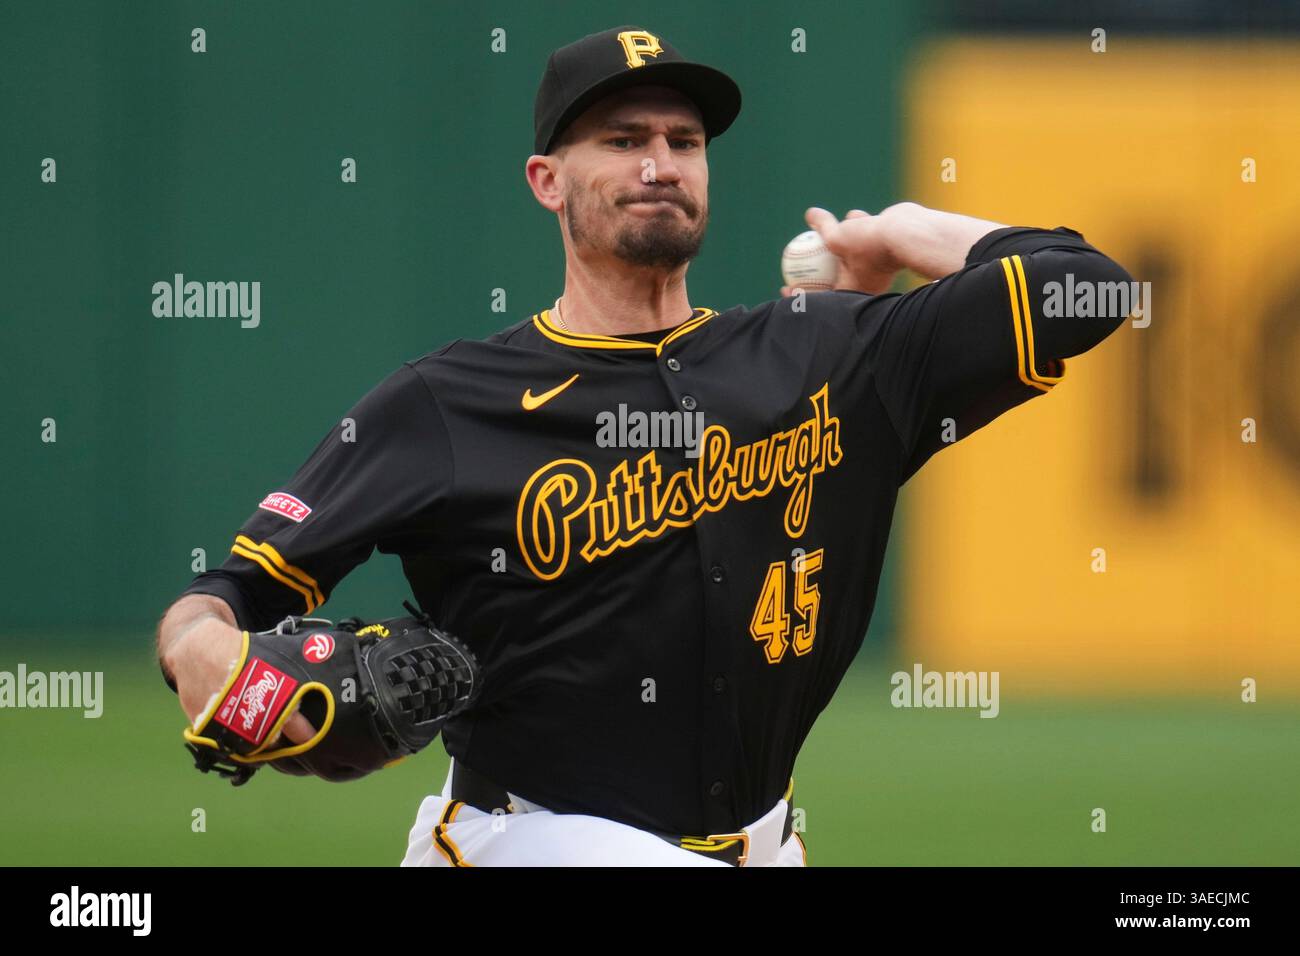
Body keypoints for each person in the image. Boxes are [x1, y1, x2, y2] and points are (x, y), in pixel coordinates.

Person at [156, 25, 1134, 867]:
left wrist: (905, 227)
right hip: (537, 839)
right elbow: (230, 593)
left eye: (683, 139)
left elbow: (1085, 288)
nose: (659, 163)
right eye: (621, 140)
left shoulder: (829, 354)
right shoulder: (446, 402)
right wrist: (207, 655)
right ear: (546, 180)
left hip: (765, 837)